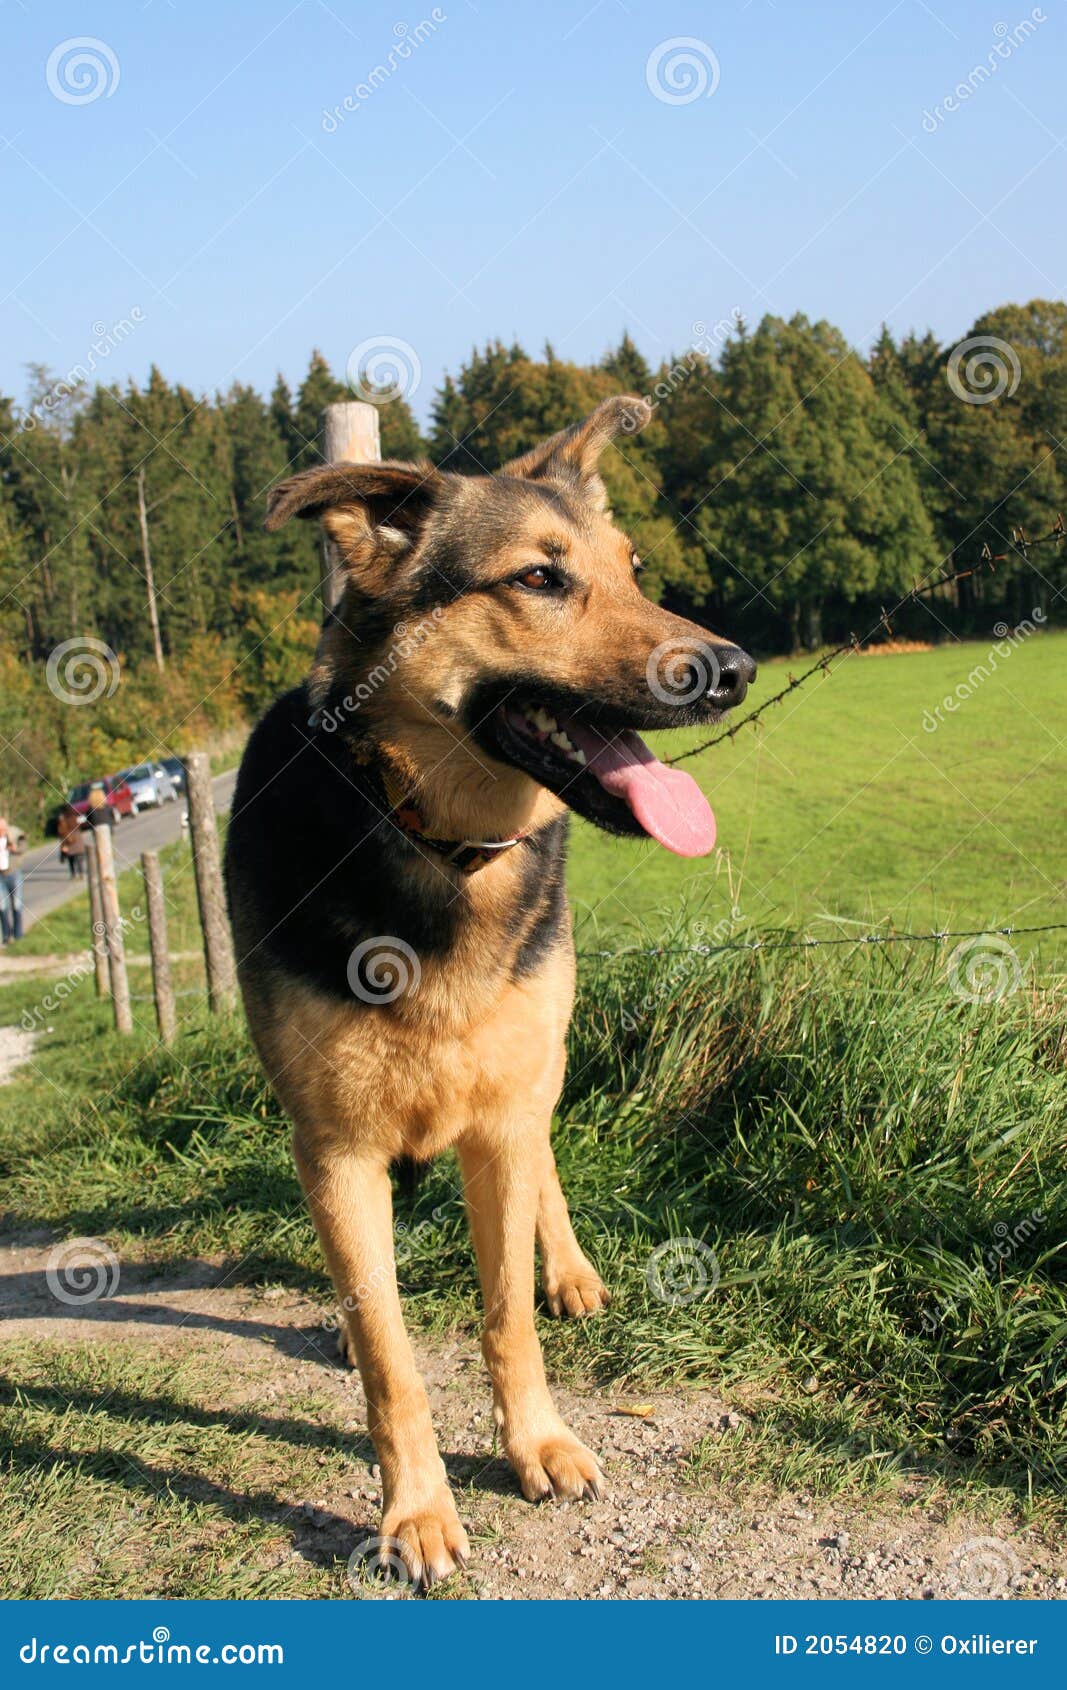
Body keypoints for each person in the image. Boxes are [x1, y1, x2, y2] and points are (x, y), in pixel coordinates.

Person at [0, 814, 27, 945]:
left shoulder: (14, 834)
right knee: (2, 906)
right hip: (0, 876)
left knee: (16, 905)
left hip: (14, 873)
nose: (1, 831)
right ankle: (6, 936)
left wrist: (15, 848)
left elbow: (24, 847)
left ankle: (18, 935)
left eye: (3, 828)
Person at [57, 803, 87, 878]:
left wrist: (63, 845)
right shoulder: (75, 816)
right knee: (79, 857)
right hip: (77, 838)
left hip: (68, 839)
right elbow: (82, 824)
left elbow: (61, 832)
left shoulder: (63, 819)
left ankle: (73, 874)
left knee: (71, 859)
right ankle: (81, 873)